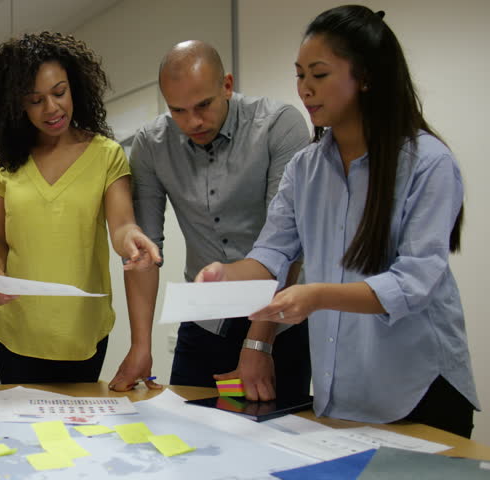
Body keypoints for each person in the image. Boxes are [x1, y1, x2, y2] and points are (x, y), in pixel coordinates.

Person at [197, 5, 479, 437]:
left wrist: (317, 296)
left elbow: (414, 282)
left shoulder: (428, 162)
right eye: (299, 75)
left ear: (366, 77)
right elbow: (273, 254)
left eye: (319, 74)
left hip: (420, 390)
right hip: (341, 390)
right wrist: (226, 274)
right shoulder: (305, 168)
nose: (305, 89)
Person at [109, 40, 312, 400]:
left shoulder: (279, 125)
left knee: (277, 444)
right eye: (179, 111)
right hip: (205, 320)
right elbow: (144, 250)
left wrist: (258, 344)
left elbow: (288, 244)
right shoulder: (152, 144)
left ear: (227, 85)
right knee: (188, 434)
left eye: (203, 105)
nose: (193, 122)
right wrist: (141, 344)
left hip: (279, 323)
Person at [0, 31, 161, 384]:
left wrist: (133, 239)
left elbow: (122, 226)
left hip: (81, 331)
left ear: (74, 87)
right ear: (17, 105)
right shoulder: (5, 162)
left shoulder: (106, 154)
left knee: (76, 433)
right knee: (22, 432)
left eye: (59, 92)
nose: (52, 108)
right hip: (14, 328)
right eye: (35, 100)